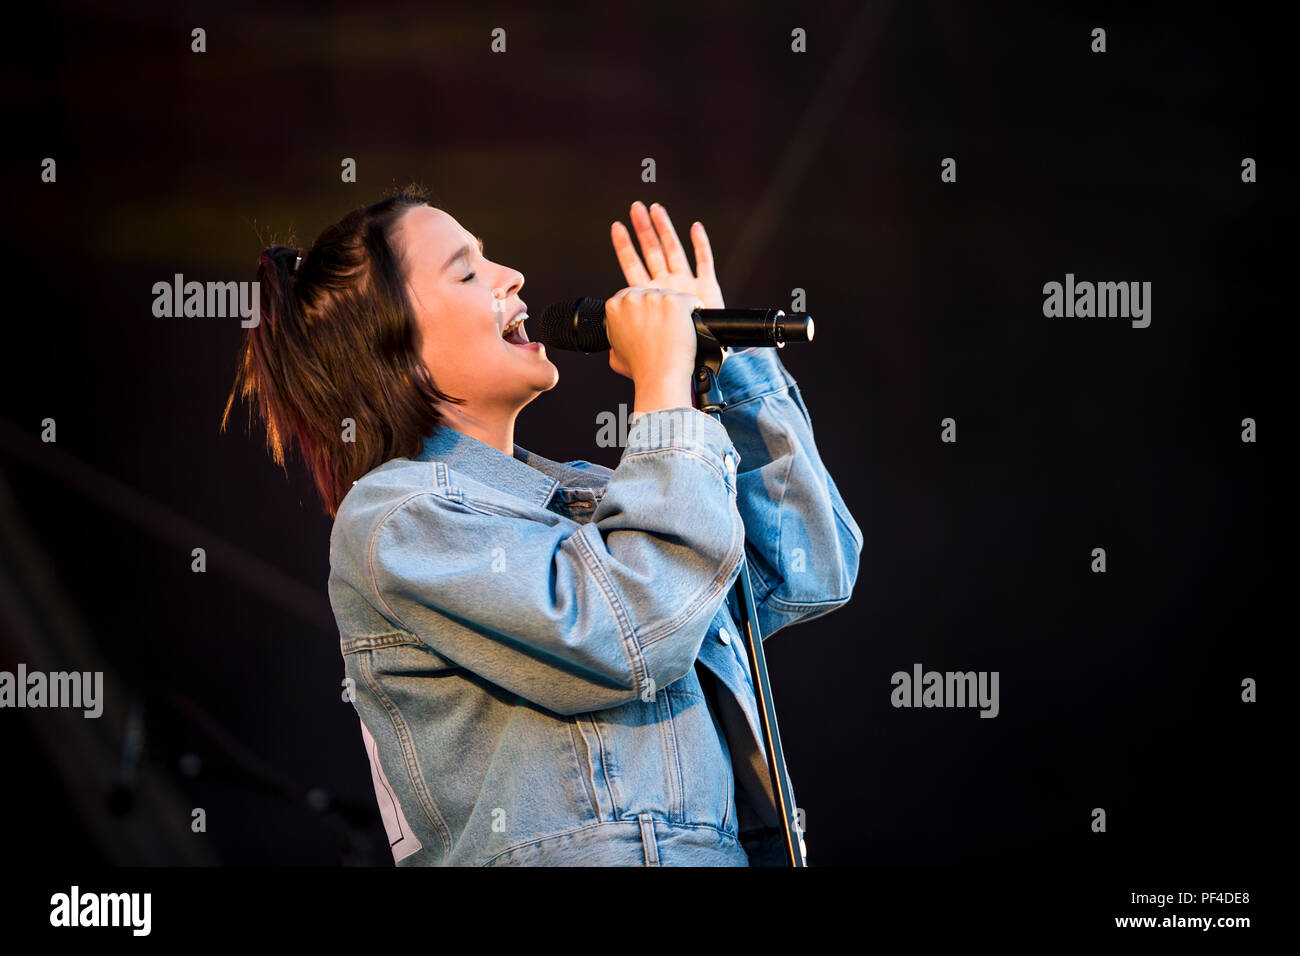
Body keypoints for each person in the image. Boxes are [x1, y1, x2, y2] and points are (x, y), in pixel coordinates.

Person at [223, 186, 863, 865]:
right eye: (468, 272)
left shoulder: (596, 497)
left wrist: (727, 372)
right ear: (393, 347)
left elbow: (805, 568)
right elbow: (628, 637)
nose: (512, 277)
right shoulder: (394, 519)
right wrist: (663, 397)